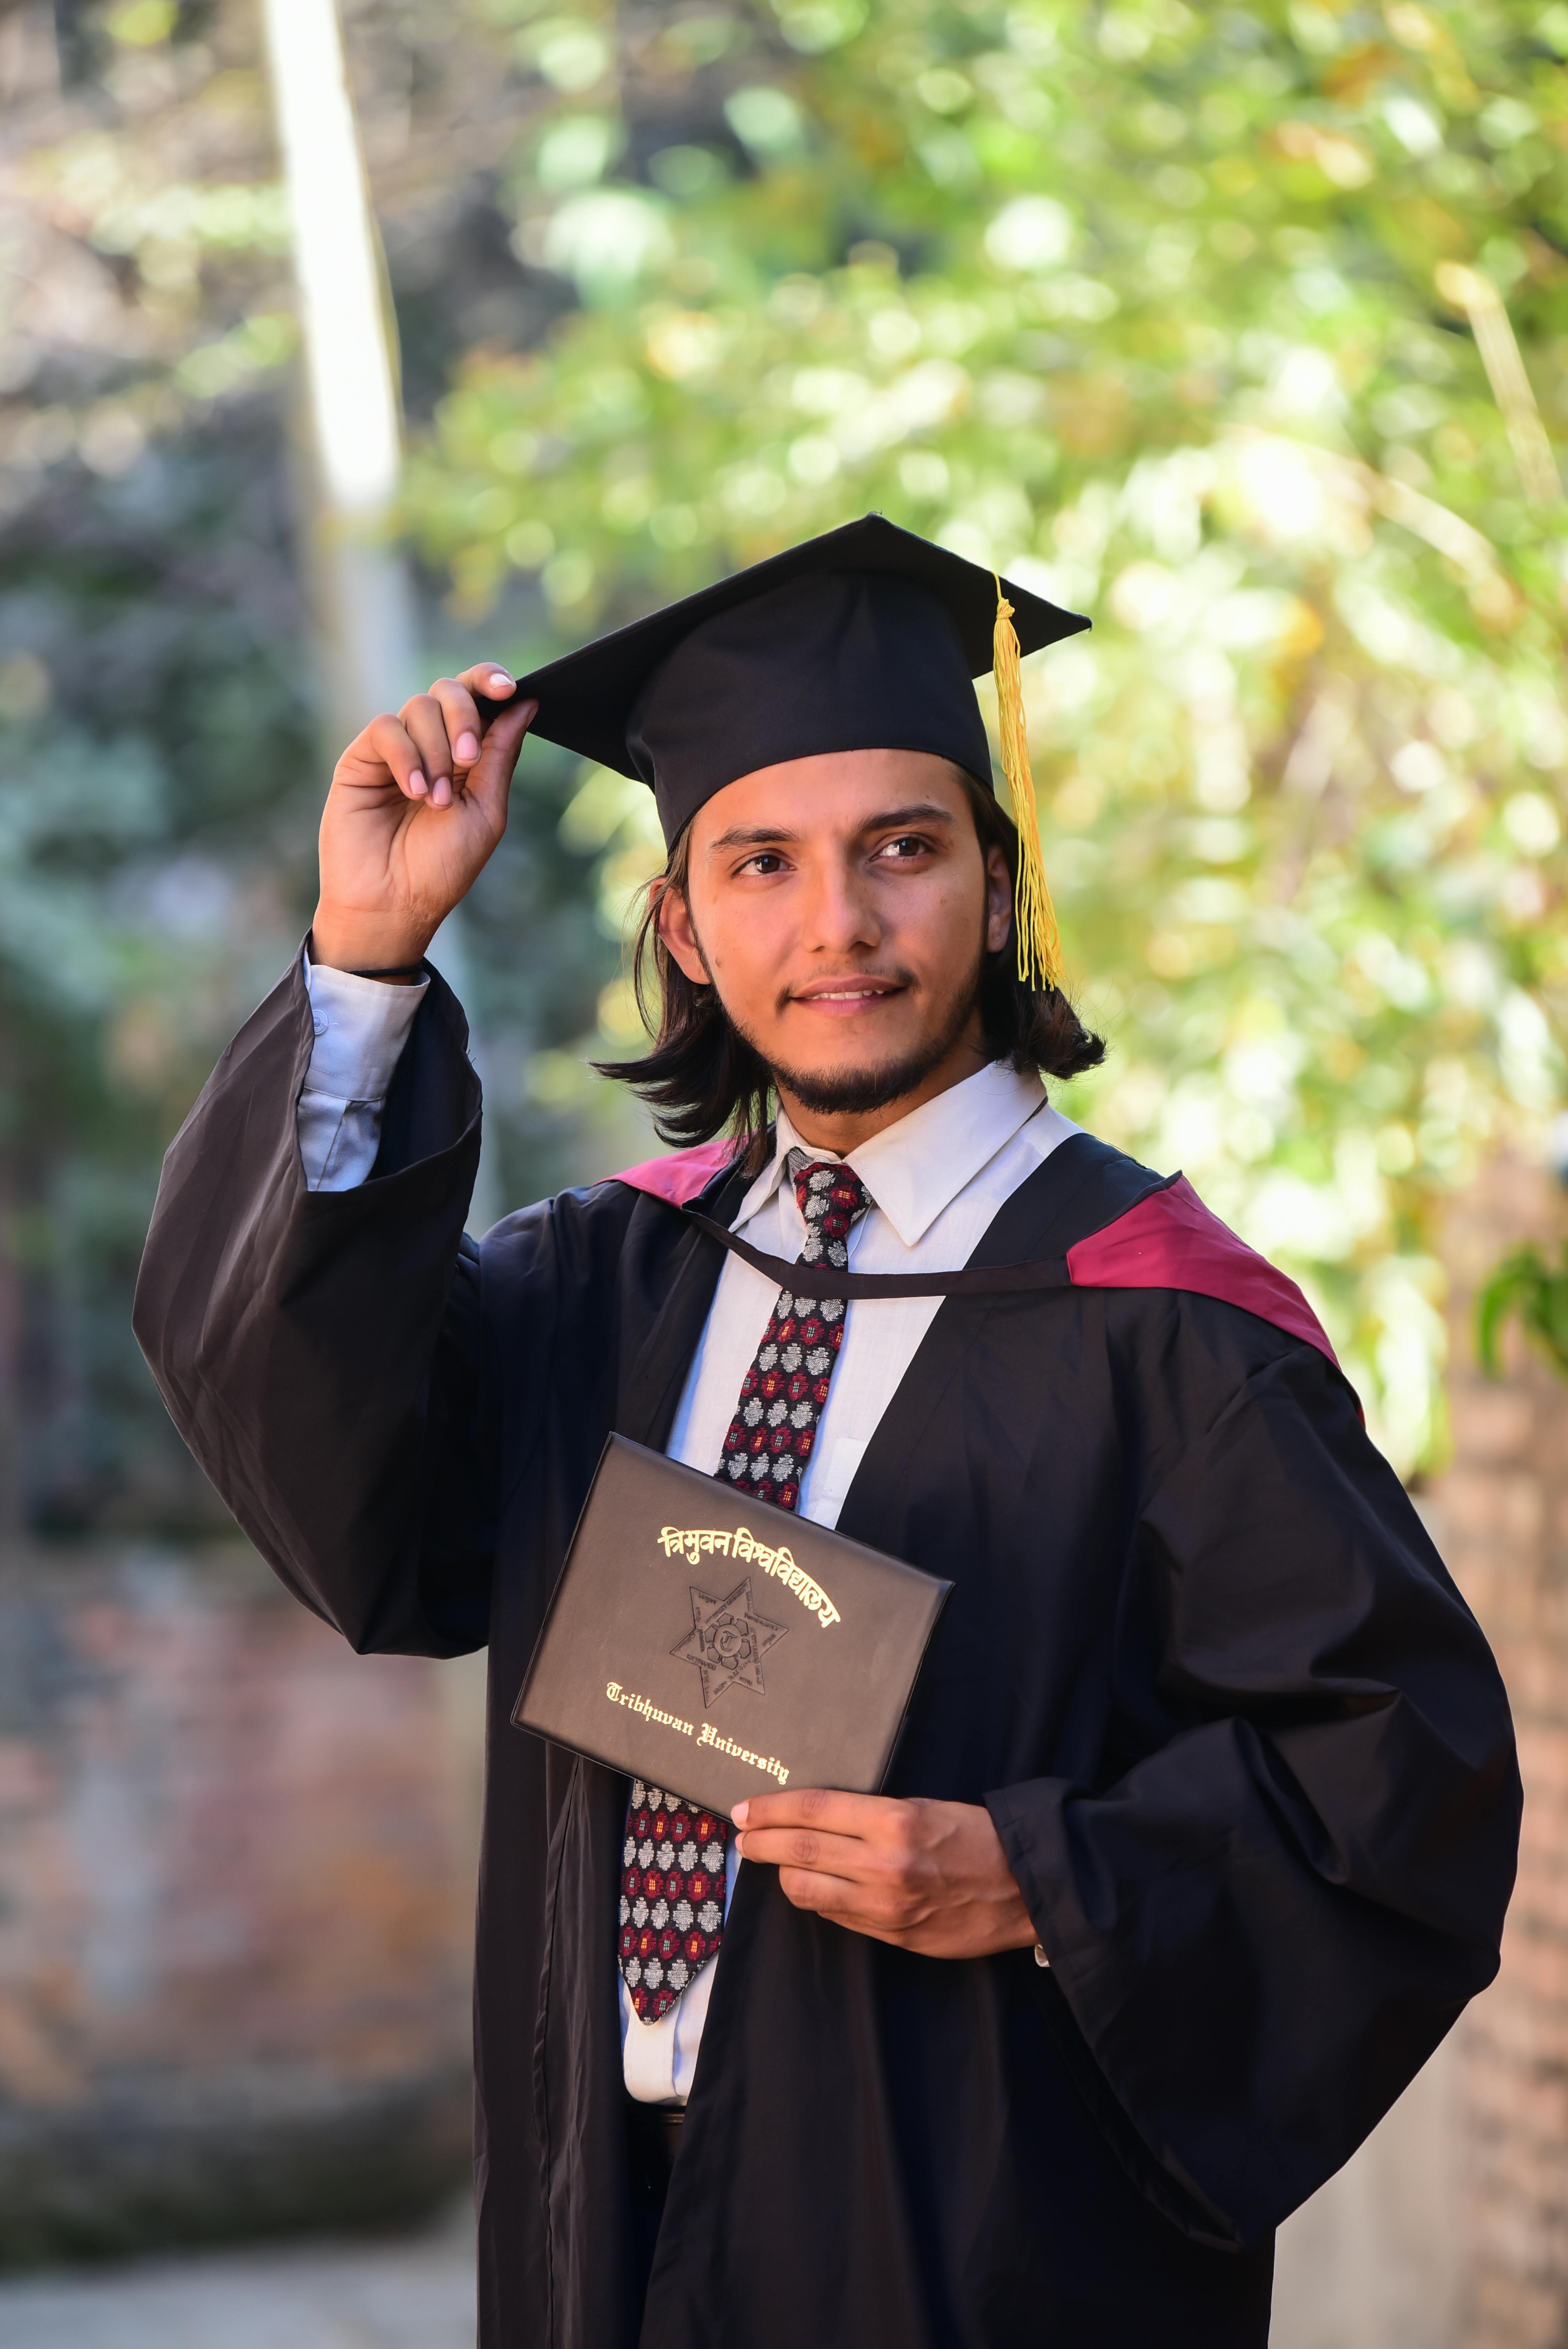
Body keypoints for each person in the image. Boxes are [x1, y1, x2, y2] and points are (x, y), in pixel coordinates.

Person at [135, 517, 1520, 2349]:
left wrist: (1046, 1872)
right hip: (598, 2226)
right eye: (760, 864)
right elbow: (324, 1453)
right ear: (685, 931)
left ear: (999, 889)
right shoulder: (602, 1291)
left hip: (978, 2235)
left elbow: (1398, 1781)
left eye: (901, 849)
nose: (838, 924)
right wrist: (368, 954)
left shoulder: (1168, 1323)